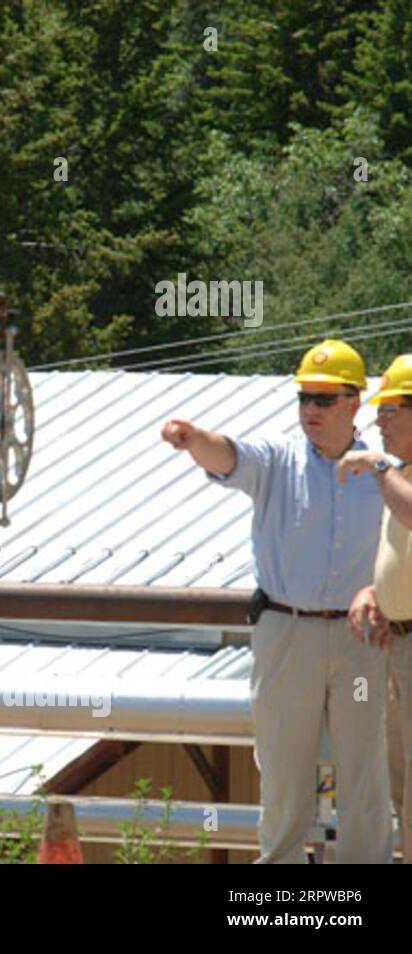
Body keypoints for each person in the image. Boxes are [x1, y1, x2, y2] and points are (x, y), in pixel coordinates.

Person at [161, 339, 391, 863]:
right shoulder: (278, 458)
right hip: (289, 635)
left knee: (363, 767)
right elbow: (230, 455)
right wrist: (193, 437)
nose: (310, 409)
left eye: (324, 399)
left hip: (362, 643)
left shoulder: (383, 470)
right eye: (305, 398)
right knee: (285, 770)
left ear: (356, 402)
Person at [339, 355, 412, 862]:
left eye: (389, 409)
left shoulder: (393, 478)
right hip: (398, 646)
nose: (378, 421)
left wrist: (379, 467)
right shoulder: (402, 475)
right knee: (402, 788)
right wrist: (377, 592)